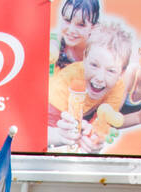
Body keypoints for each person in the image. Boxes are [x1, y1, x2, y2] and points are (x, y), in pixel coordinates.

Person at [48, 19, 135, 153]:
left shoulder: (118, 87)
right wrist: (63, 135)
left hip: (83, 114)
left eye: (110, 71)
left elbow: (101, 124)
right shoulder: (66, 80)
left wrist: (94, 139)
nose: (99, 78)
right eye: (94, 65)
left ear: (121, 73)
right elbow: (47, 128)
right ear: (85, 58)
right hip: (52, 106)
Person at [51, 0, 100, 71]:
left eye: (81, 25)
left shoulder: (97, 52)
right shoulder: (54, 42)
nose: (71, 30)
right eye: (67, 20)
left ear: (93, 28)